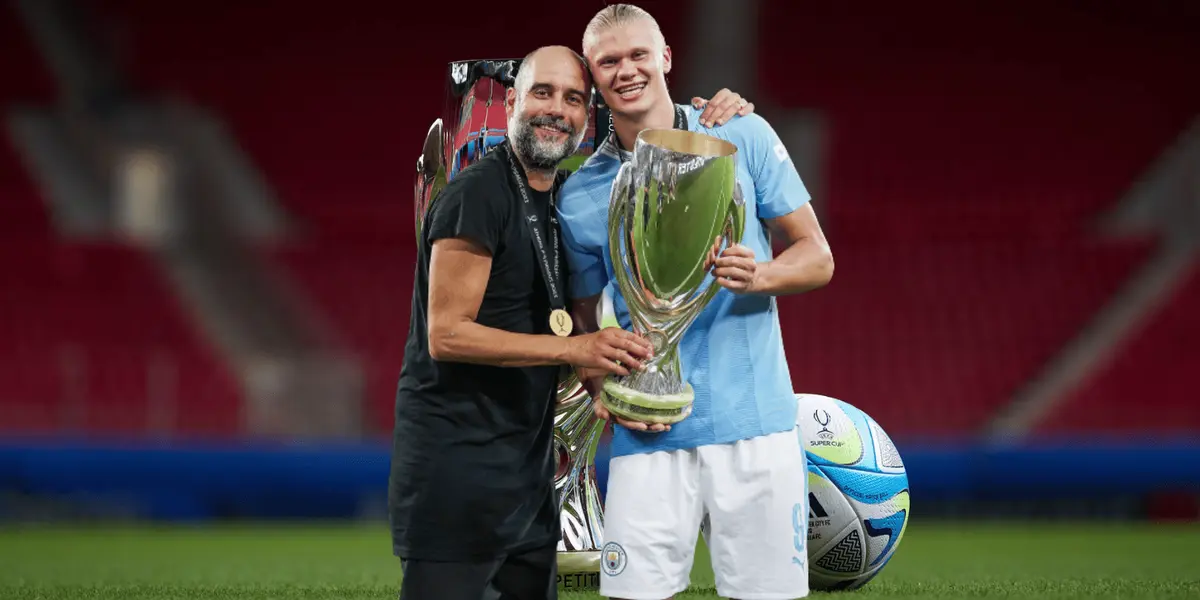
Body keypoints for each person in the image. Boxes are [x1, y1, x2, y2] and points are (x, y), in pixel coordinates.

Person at [388, 44, 754, 600]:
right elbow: (447, 333)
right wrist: (576, 351)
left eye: (574, 98)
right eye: (542, 92)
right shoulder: (478, 193)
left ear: (587, 119)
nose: (557, 108)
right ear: (511, 101)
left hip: (526, 478)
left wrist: (614, 389)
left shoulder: (558, 199)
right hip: (457, 476)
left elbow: (566, 319)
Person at [557, 5, 836, 600]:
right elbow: (584, 321)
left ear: (666, 58)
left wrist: (759, 275)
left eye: (638, 54)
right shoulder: (578, 193)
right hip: (648, 432)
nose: (626, 70)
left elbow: (817, 255)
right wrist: (599, 383)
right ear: (593, 76)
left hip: (757, 429)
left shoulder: (740, 133)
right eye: (609, 61)